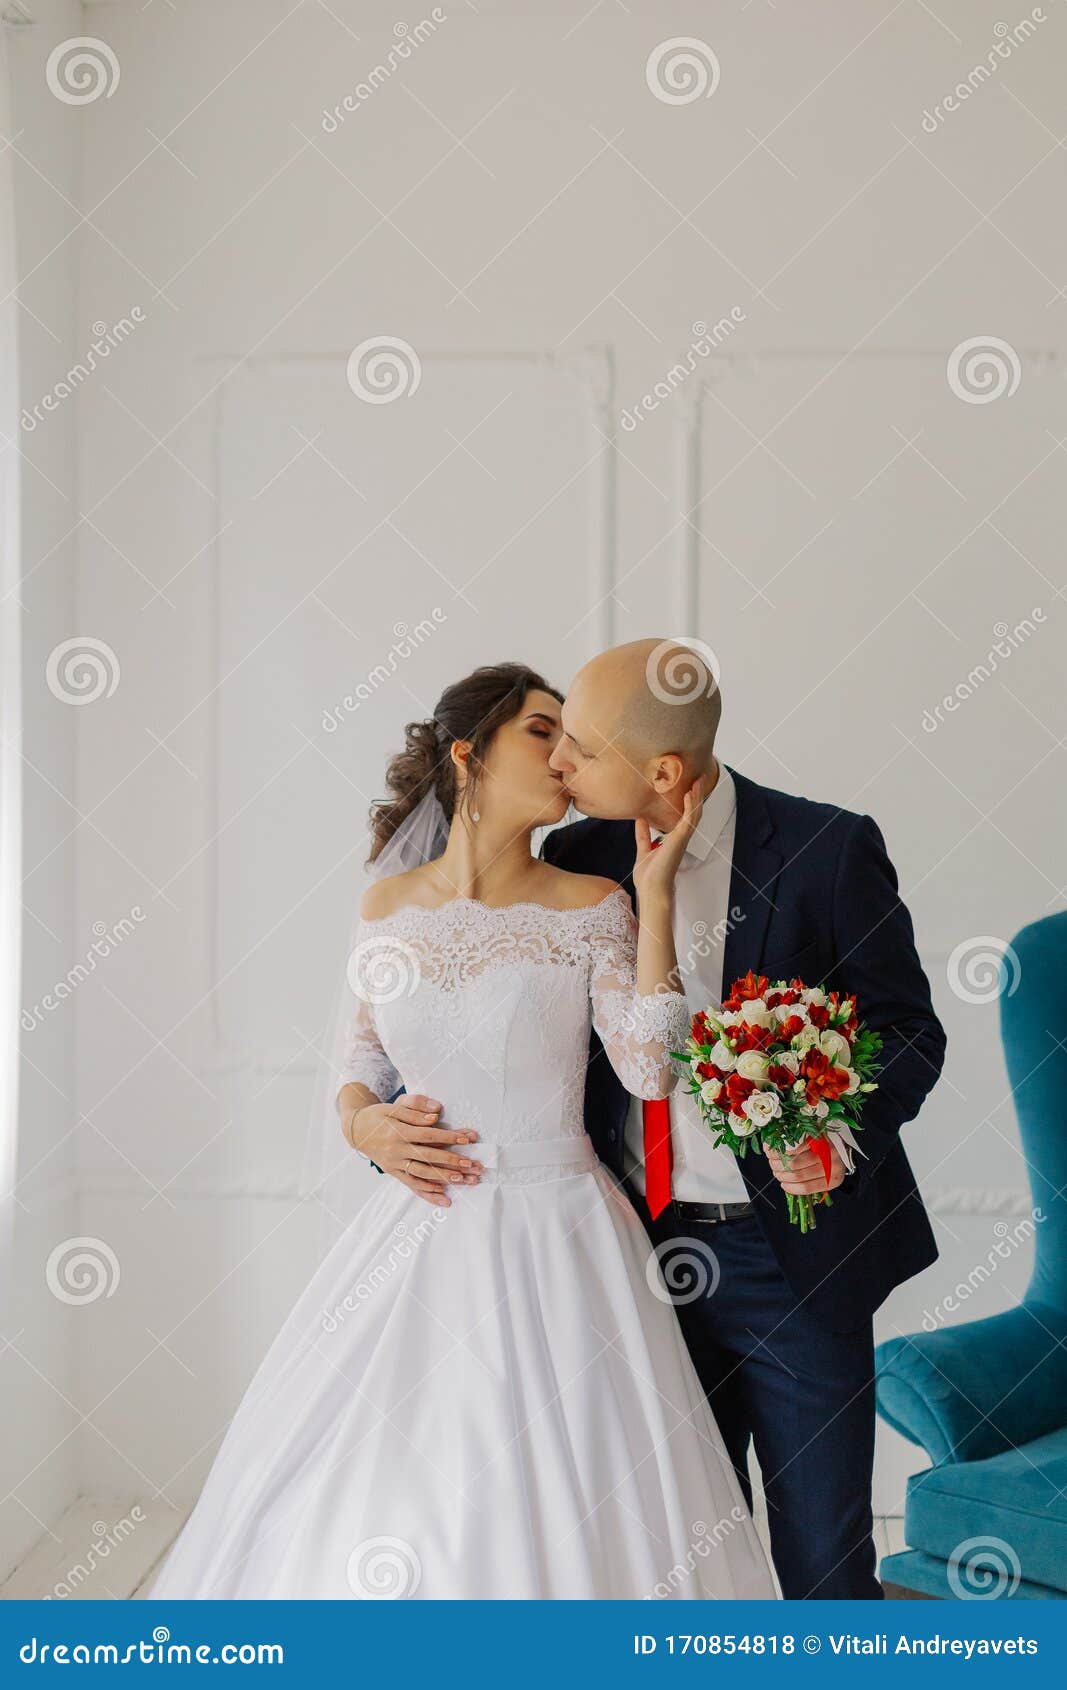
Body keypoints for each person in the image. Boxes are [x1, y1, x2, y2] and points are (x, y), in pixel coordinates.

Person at [150, 662, 779, 1601]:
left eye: (572, 737)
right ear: (466, 753)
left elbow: (649, 1068)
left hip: (563, 1235)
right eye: (540, 731)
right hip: (420, 1233)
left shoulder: (589, 906)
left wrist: (650, 900)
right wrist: (367, 1129)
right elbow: (358, 1071)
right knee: (392, 1492)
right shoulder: (385, 910)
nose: (565, 755)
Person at [541, 638, 947, 1600]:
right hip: (626, 1261)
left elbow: (906, 1031)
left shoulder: (825, 849)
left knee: (822, 1562)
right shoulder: (577, 858)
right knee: (677, 1563)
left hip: (792, 1264)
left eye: (580, 747)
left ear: (664, 772)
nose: (559, 764)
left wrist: (835, 1135)